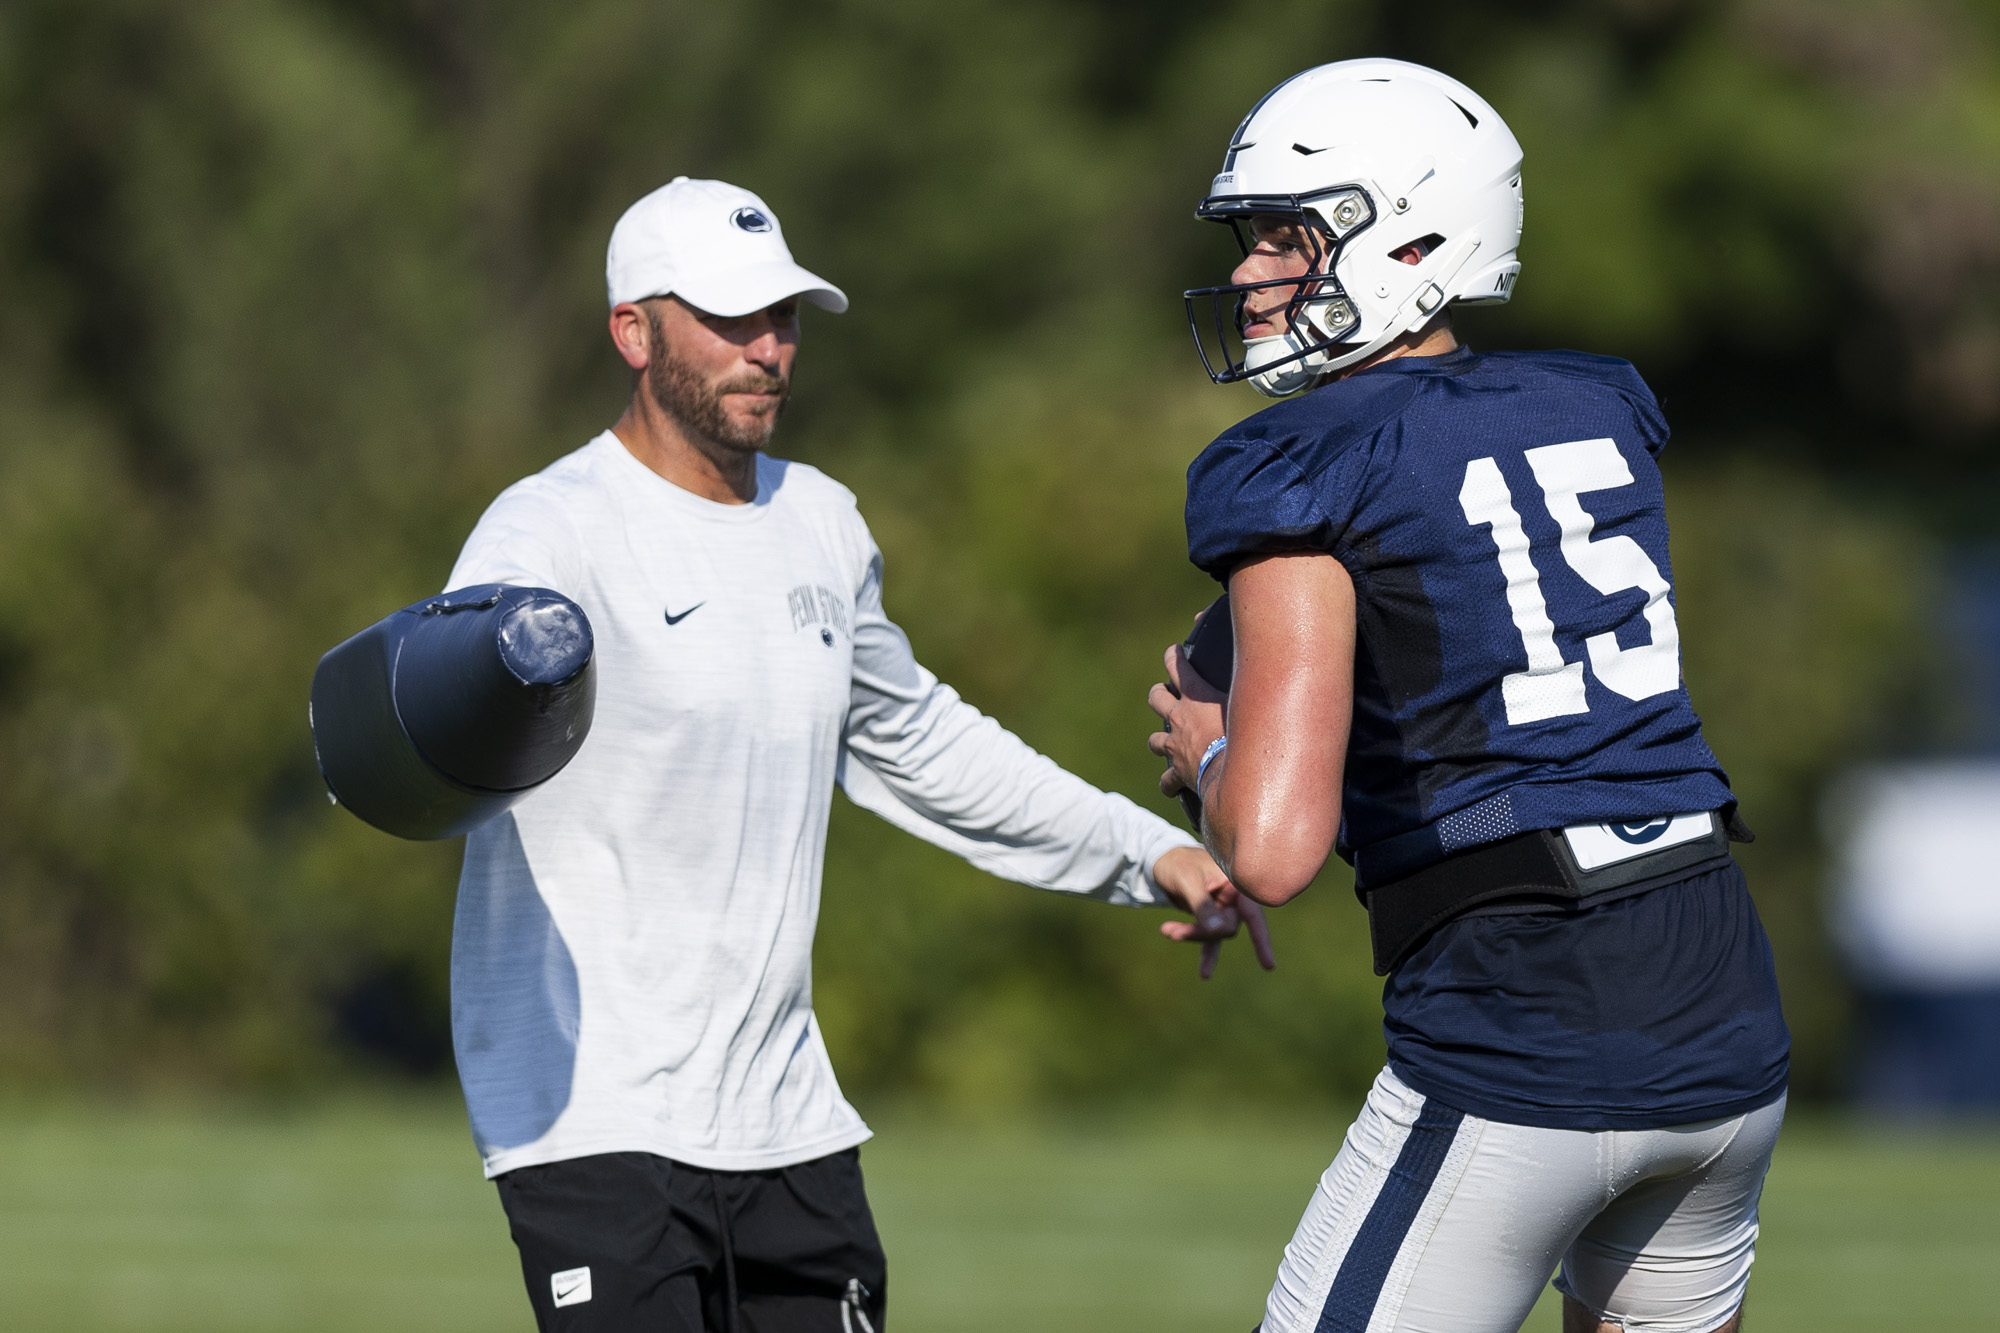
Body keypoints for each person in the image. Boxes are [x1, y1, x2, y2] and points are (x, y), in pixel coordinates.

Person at [442, 175, 1272, 1333]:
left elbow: (921, 742)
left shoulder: (821, 522)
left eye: (782, 318)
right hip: (593, 1121)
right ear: (633, 330)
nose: (769, 349)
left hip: (790, 1125)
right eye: (730, 319)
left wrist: (1149, 850)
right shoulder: (544, 531)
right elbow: (440, 736)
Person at [1148, 60, 1789, 1333]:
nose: (1247, 277)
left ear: (1413, 235)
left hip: (1527, 1008)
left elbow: (1274, 847)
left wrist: (1213, 756)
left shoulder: (1305, 459)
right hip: (1722, 1005)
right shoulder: (1587, 404)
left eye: (1288, 237)